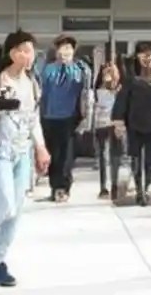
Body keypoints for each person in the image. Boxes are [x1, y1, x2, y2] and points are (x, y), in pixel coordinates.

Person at [0, 31, 52, 287]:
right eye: (23, 50)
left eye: (31, 51)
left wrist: (41, 147)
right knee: (4, 207)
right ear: (11, 53)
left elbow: (33, 120)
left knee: (15, 214)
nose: (28, 56)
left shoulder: (33, 84)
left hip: (22, 154)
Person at [39, 34, 93, 203]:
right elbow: (42, 92)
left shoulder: (80, 69)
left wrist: (85, 117)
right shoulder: (48, 69)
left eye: (68, 48)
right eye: (62, 48)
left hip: (70, 117)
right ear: (56, 51)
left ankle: (64, 187)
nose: (65, 51)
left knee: (67, 155)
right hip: (49, 117)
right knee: (53, 154)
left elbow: (86, 91)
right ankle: (54, 187)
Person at [114, 43, 151, 206]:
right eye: (143, 55)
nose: (147, 59)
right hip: (134, 125)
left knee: (150, 160)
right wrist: (119, 122)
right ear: (138, 58)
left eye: (150, 55)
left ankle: (146, 186)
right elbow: (121, 101)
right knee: (136, 159)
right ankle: (139, 189)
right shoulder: (131, 80)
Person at [93, 61, 124, 200]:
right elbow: (95, 108)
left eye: (110, 72)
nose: (108, 75)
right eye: (105, 72)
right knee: (103, 157)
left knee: (115, 157)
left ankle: (115, 185)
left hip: (115, 125)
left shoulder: (120, 90)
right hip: (101, 126)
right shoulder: (98, 91)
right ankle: (103, 187)